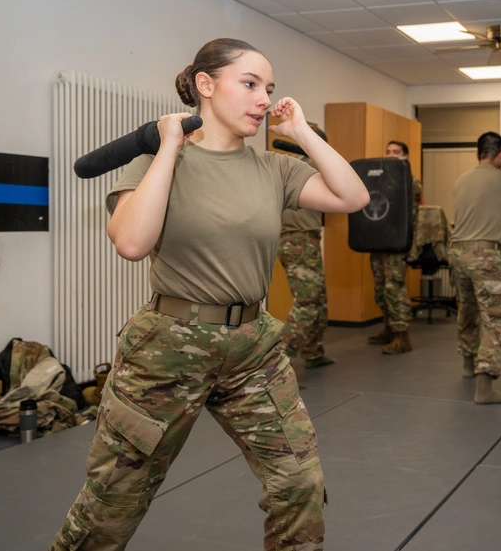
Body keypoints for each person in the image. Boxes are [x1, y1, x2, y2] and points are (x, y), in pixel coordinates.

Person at [51, 38, 370, 551]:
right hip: (168, 349)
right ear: (205, 85)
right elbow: (131, 243)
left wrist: (301, 132)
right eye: (249, 84)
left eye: (269, 89)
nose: (264, 99)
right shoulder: (159, 162)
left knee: (298, 483)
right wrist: (170, 147)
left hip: (253, 346)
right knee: (115, 500)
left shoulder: (275, 169)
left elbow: (353, 197)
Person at [450, 132, 501, 404]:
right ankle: (485, 388)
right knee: (497, 318)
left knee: (469, 310)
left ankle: (468, 365)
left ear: (477, 154)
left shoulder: (461, 179)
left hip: (458, 254)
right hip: (486, 255)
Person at [277, 126, 333, 369]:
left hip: (303, 239)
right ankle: (277, 363)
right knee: (308, 302)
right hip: (298, 240)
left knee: (318, 298)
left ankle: (313, 351)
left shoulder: (295, 164)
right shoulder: (307, 165)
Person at [366, 140, 424, 354]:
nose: (391, 155)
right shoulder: (379, 181)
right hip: (378, 243)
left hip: (397, 246)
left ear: (406, 157)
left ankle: (402, 336)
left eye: (396, 152)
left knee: (394, 290)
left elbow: (411, 216)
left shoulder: (411, 181)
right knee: (380, 290)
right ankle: (389, 329)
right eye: (388, 151)